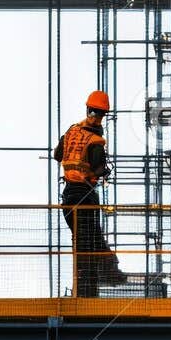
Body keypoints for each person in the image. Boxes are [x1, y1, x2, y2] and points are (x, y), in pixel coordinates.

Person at [55, 91, 127, 296]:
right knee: (89, 246)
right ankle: (88, 292)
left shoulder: (70, 131)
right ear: (104, 114)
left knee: (84, 241)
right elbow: (97, 167)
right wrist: (103, 171)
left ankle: (101, 276)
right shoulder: (96, 141)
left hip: (68, 198)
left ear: (87, 108)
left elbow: (57, 155)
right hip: (85, 197)